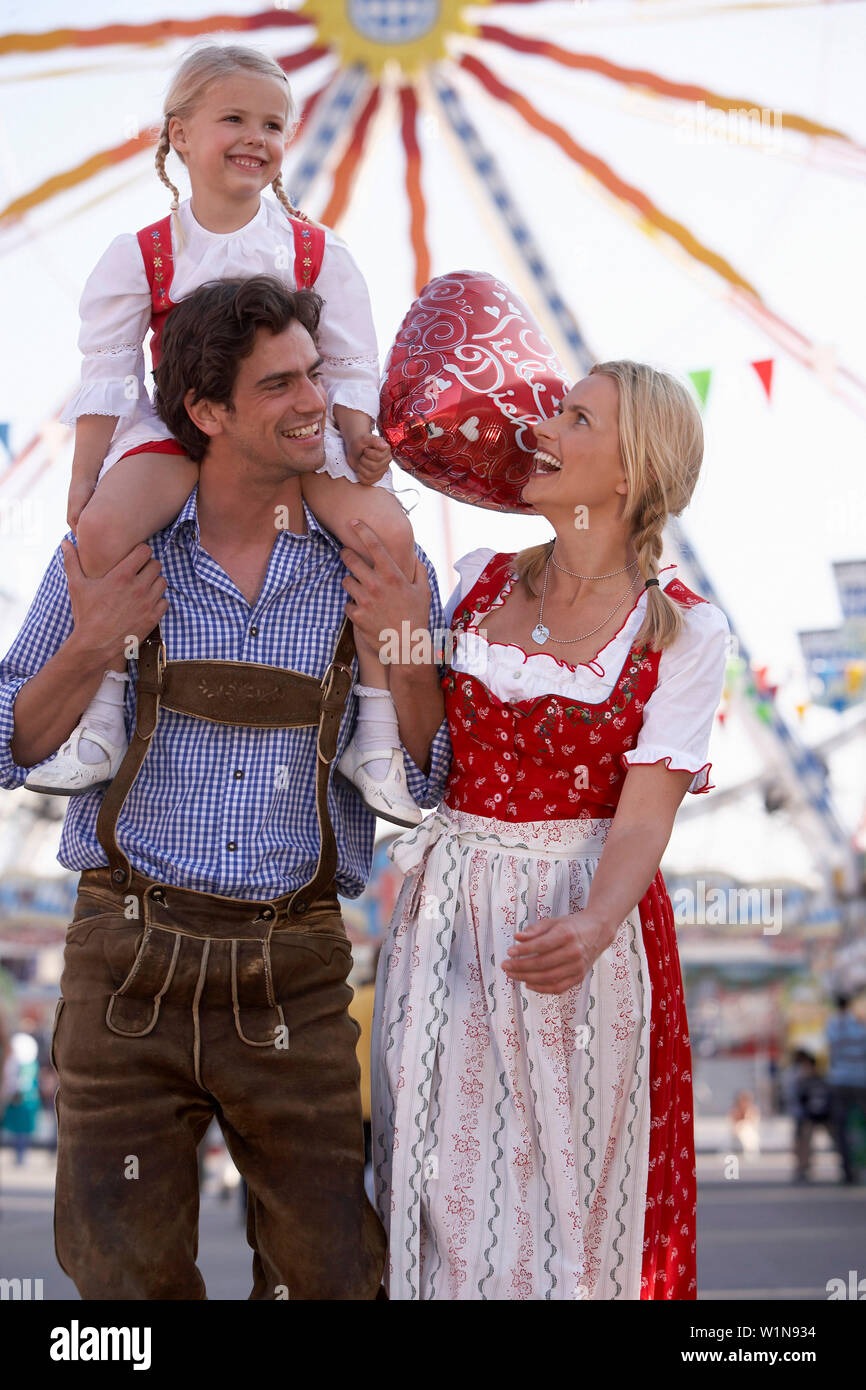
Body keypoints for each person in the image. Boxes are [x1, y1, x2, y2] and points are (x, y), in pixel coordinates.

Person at [0, 275, 451, 1299]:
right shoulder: (115, 553)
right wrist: (93, 646)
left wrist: (404, 654)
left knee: (333, 1276)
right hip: (124, 963)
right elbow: (7, 740)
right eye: (279, 384)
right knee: (124, 1280)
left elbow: (425, 781)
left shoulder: (369, 565)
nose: (312, 402)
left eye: (315, 374)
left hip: (292, 965)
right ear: (205, 413)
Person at [370, 360, 730, 1300]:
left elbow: (645, 815)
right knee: (435, 1192)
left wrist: (594, 923)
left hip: (581, 931)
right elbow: (430, 757)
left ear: (628, 472)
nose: (541, 425)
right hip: (447, 918)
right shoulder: (479, 582)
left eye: (574, 417)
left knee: (567, 1207)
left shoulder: (683, 635)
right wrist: (401, 647)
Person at [26, 41, 422, 829]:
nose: (256, 137)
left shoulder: (317, 250)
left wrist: (356, 430)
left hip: (296, 432)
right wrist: (86, 474)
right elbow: (109, 370)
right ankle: (102, 720)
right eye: (233, 118)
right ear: (178, 134)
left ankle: (375, 738)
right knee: (104, 526)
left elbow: (345, 360)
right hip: (181, 426)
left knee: (385, 529)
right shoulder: (141, 253)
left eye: (273, 123)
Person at [826, 994, 866, 1184]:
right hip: (861, 1080)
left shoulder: (832, 1026)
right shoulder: (860, 1025)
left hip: (839, 1080)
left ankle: (847, 1168)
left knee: (840, 1126)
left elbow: (831, 1053)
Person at [785, 1049, 832, 1183]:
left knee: (837, 1136)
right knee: (802, 1140)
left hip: (823, 1115)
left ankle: (848, 1164)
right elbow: (794, 1099)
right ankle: (802, 1167)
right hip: (804, 1116)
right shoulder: (796, 1079)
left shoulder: (820, 1079)